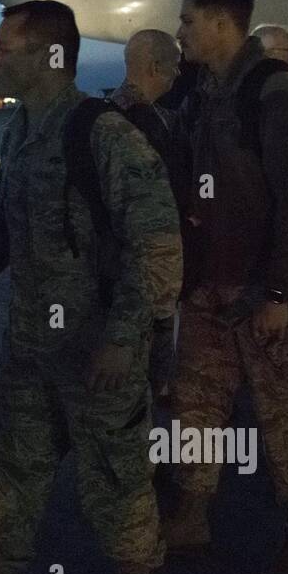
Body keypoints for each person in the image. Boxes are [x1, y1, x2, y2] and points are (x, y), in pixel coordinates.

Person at [0, 1, 181, 574]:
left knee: (118, 485)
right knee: (12, 475)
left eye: (3, 48)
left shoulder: (103, 133)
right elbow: (9, 222)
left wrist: (125, 340)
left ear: (48, 56)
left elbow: (156, 244)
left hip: (98, 352)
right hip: (31, 351)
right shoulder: (19, 129)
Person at [164, 0, 288, 574]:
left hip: (266, 292)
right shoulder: (205, 93)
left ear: (219, 23)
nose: (180, 30)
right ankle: (193, 514)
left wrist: (282, 292)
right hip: (211, 288)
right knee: (196, 411)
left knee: (287, 416)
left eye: (187, 20)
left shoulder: (277, 92)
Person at [114, 29, 187, 401]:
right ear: (157, 66)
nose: (178, 74)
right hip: (144, 278)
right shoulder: (136, 123)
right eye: (175, 66)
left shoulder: (123, 114)